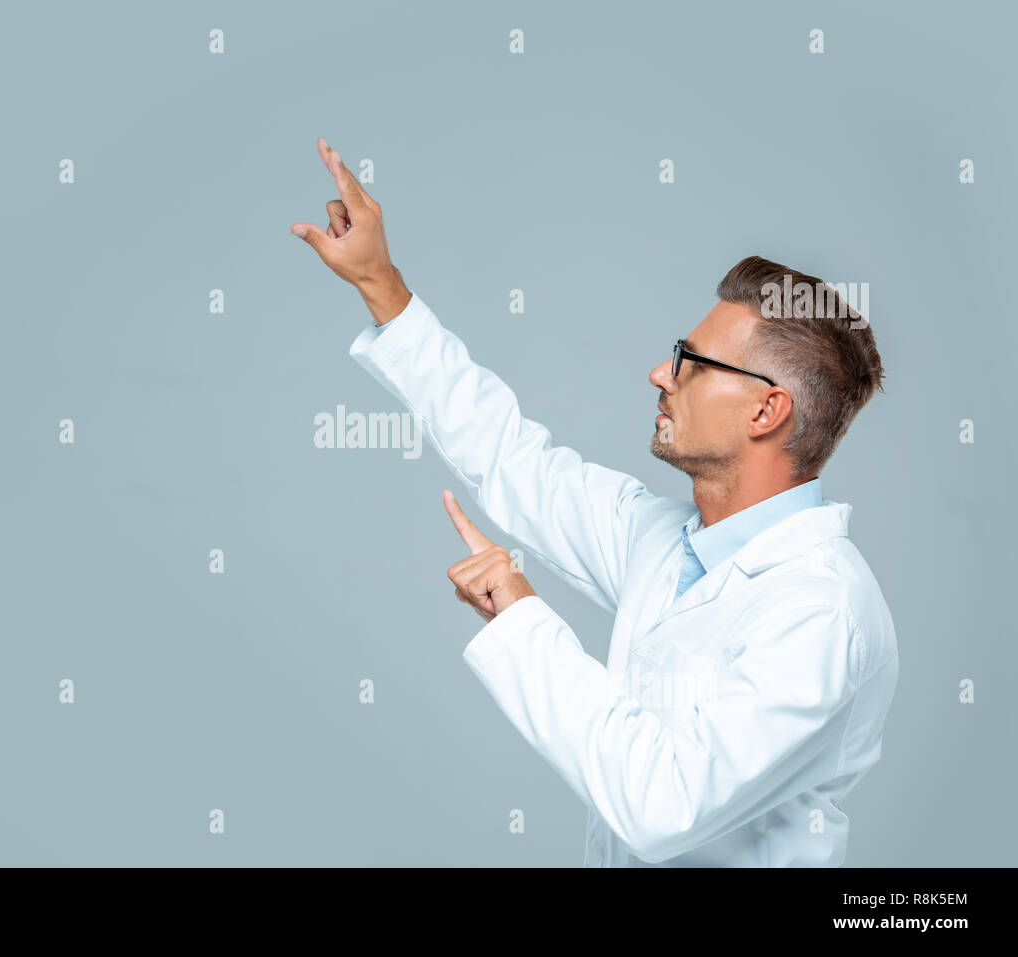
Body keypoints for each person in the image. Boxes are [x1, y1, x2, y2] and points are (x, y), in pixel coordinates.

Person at [291, 137, 899, 867]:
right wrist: (383, 286)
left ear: (767, 411)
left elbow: (663, 806)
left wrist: (522, 619)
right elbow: (511, 456)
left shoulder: (820, 612)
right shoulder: (666, 541)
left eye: (690, 362)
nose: (658, 374)